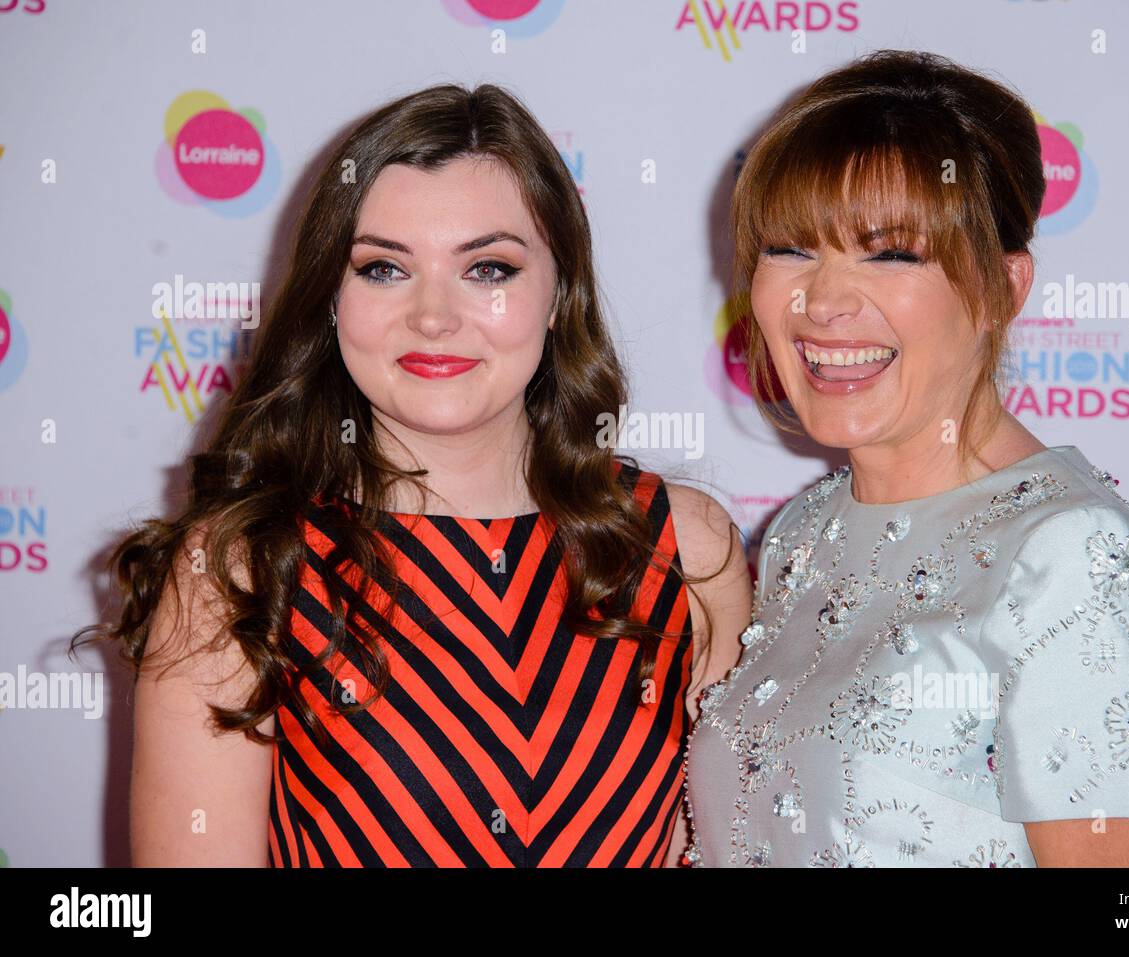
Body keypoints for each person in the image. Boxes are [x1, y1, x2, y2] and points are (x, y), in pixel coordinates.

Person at [75, 83, 749, 867]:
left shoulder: (684, 551)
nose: (433, 316)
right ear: (331, 297)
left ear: (559, 292)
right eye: (384, 269)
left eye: (488, 269)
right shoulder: (242, 572)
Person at [682, 50, 1129, 868]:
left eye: (891, 254)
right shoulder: (802, 533)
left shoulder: (1075, 559)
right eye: (790, 249)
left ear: (1004, 286)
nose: (822, 302)